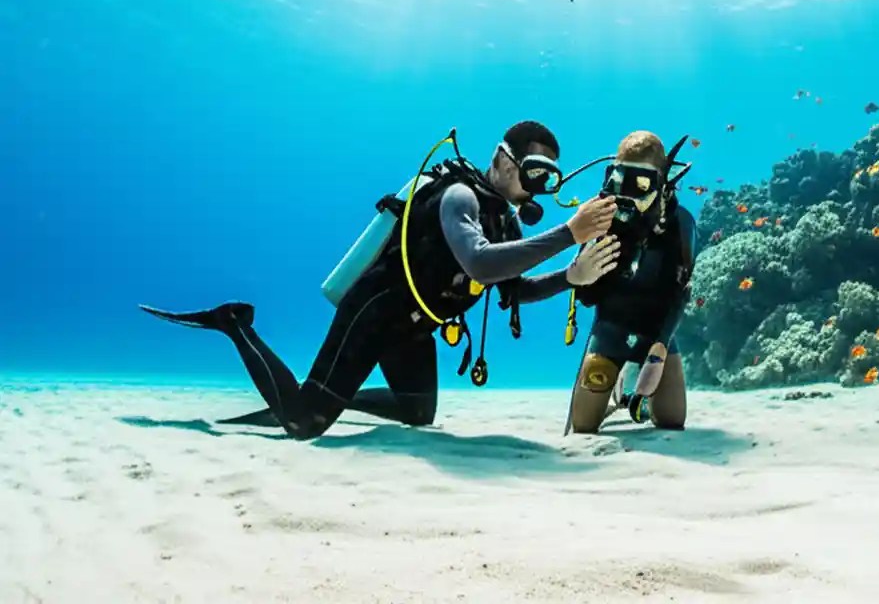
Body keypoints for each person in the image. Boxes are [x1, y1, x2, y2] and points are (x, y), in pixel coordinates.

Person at [142, 121, 621, 440]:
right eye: (532, 173)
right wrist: (568, 233)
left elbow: (514, 290)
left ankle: (326, 393)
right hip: (376, 309)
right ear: (501, 159)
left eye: (547, 180)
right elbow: (478, 264)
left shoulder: (505, 221)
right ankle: (237, 324)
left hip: (417, 327)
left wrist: (571, 277)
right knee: (304, 423)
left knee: (417, 413)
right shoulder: (459, 197)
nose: (534, 189)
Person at [565, 131, 697, 434]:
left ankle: (633, 379)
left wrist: (659, 350)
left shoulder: (681, 224)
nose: (626, 194)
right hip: (611, 327)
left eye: (640, 184)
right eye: (619, 179)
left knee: (672, 421)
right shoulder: (602, 220)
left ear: (663, 183)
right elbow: (586, 296)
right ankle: (618, 385)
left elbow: (680, 294)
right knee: (584, 425)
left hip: (658, 329)